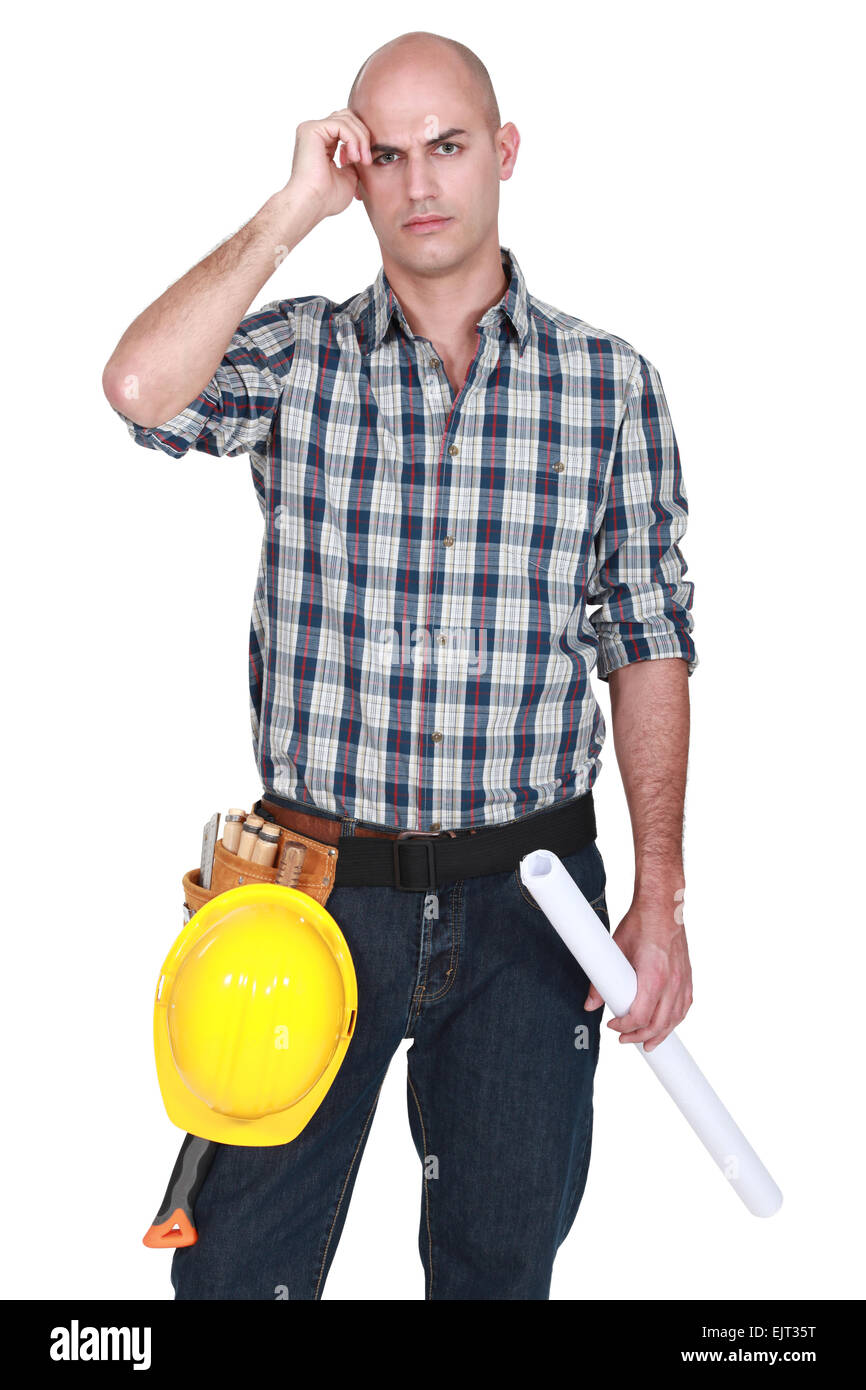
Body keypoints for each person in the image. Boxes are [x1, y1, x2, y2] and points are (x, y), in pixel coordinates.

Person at [103, 30, 698, 1301]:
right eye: (383, 154)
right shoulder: (295, 354)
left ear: (503, 154)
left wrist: (658, 895)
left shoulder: (609, 388)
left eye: (448, 146)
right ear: (352, 170)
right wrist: (288, 211)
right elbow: (142, 386)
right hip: (309, 894)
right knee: (235, 1277)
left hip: (532, 903)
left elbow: (644, 640)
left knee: (498, 1270)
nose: (419, 181)